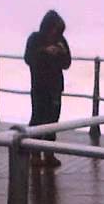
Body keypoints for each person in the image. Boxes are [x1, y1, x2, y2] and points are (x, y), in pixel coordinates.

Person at [23, 9, 71, 167]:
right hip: (39, 85)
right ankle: (35, 153)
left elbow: (67, 64)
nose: (55, 34)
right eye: (53, 30)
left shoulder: (61, 40)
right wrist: (44, 51)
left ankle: (49, 153)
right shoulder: (35, 39)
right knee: (37, 118)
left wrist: (62, 53)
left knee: (53, 121)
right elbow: (28, 58)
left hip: (56, 86)